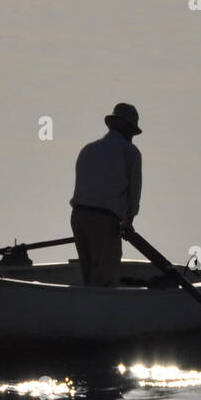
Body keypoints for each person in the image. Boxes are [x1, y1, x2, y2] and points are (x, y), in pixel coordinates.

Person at [69, 102, 142, 286]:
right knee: (105, 278)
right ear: (126, 128)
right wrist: (129, 221)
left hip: (78, 218)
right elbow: (134, 191)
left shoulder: (88, 149)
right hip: (103, 221)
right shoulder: (130, 152)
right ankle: (98, 312)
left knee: (89, 274)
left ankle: (86, 308)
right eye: (132, 131)